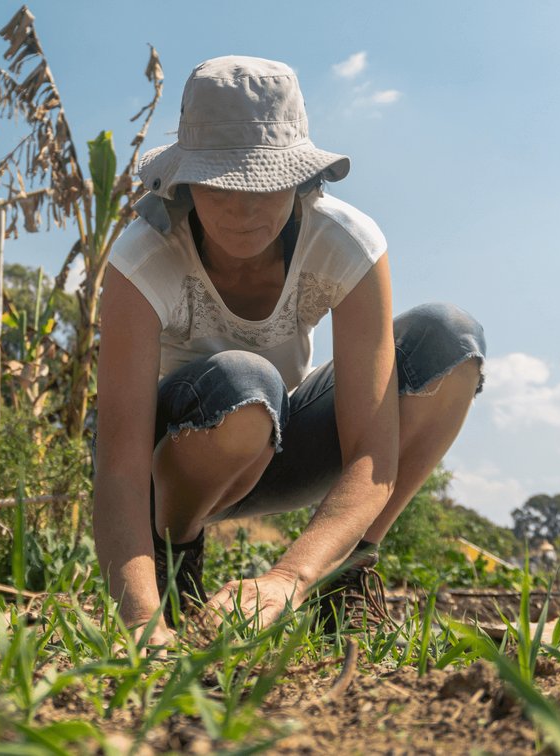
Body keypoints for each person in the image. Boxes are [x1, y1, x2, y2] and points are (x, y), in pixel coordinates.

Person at [92, 56, 486, 648]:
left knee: (447, 340)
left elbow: (371, 455)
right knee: (245, 384)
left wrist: (288, 578)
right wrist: (140, 621)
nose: (244, 210)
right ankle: (179, 556)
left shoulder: (347, 244)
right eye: (222, 184)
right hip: (173, 463)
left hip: (281, 439)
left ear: (300, 177)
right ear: (187, 178)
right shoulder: (143, 259)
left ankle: (344, 578)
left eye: (266, 184)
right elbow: (119, 470)